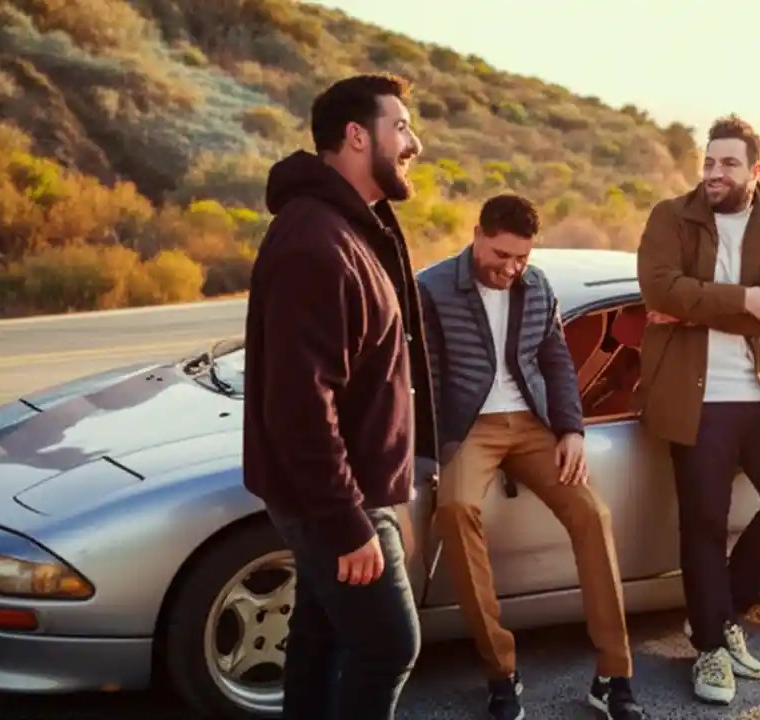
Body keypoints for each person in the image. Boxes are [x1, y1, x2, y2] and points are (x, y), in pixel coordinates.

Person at [241, 73, 439, 720]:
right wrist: (349, 522)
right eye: (400, 127)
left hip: (347, 489)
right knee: (388, 645)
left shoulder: (347, 227)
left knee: (322, 636)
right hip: (335, 497)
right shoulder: (315, 242)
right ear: (357, 136)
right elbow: (299, 405)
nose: (414, 143)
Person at [418, 194, 647, 720]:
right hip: (468, 427)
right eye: (501, 255)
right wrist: (432, 449)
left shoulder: (537, 285)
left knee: (592, 514)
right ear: (477, 235)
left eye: (521, 257)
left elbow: (556, 359)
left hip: (532, 423)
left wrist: (571, 429)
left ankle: (613, 675)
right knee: (454, 508)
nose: (511, 268)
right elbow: (424, 374)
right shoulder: (432, 287)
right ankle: (501, 672)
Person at [635, 114, 760, 706]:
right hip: (698, 399)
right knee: (705, 524)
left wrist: (692, 308)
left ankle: (717, 616)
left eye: (729, 163)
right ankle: (711, 649)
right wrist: (743, 298)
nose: (715, 173)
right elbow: (659, 289)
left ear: (755, 170)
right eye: (709, 162)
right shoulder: (671, 217)